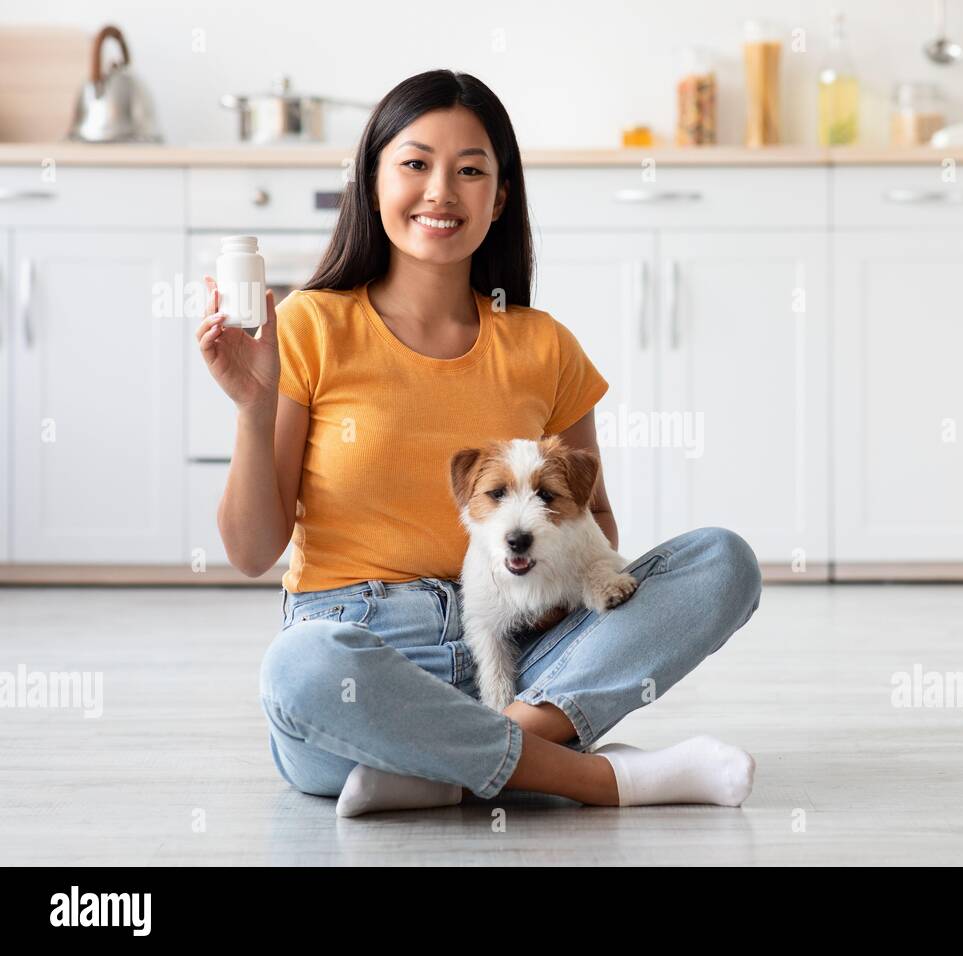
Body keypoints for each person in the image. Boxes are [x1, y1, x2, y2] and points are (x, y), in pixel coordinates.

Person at [196, 70, 762, 816]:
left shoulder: (542, 345)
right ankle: (595, 777)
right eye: (415, 163)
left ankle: (445, 766)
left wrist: (541, 592)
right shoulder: (310, 325)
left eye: (470, 170)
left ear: (499, 199)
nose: (441, 190)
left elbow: (597, 528)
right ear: (371, 182)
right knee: (299, 668)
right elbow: (249, 553)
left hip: (525, 654)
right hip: (363, 661)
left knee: (722, 562)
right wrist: (251, 406)